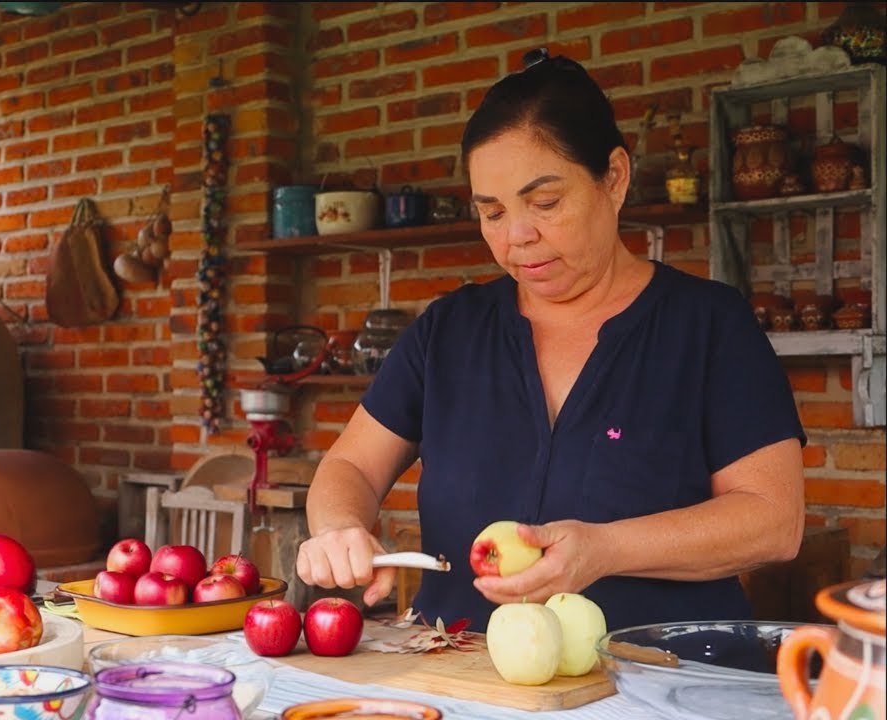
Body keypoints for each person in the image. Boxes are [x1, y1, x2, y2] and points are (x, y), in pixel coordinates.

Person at [295, 50, 806, 634]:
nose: (518, 236)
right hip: (461, 678)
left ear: (614, 178)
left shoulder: (710, 327)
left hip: (655, 684)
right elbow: (352, 466)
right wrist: (339, 526)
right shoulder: (449, 331)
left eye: (545, 203)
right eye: (491, 212)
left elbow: (774, 521)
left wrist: (605, 548)